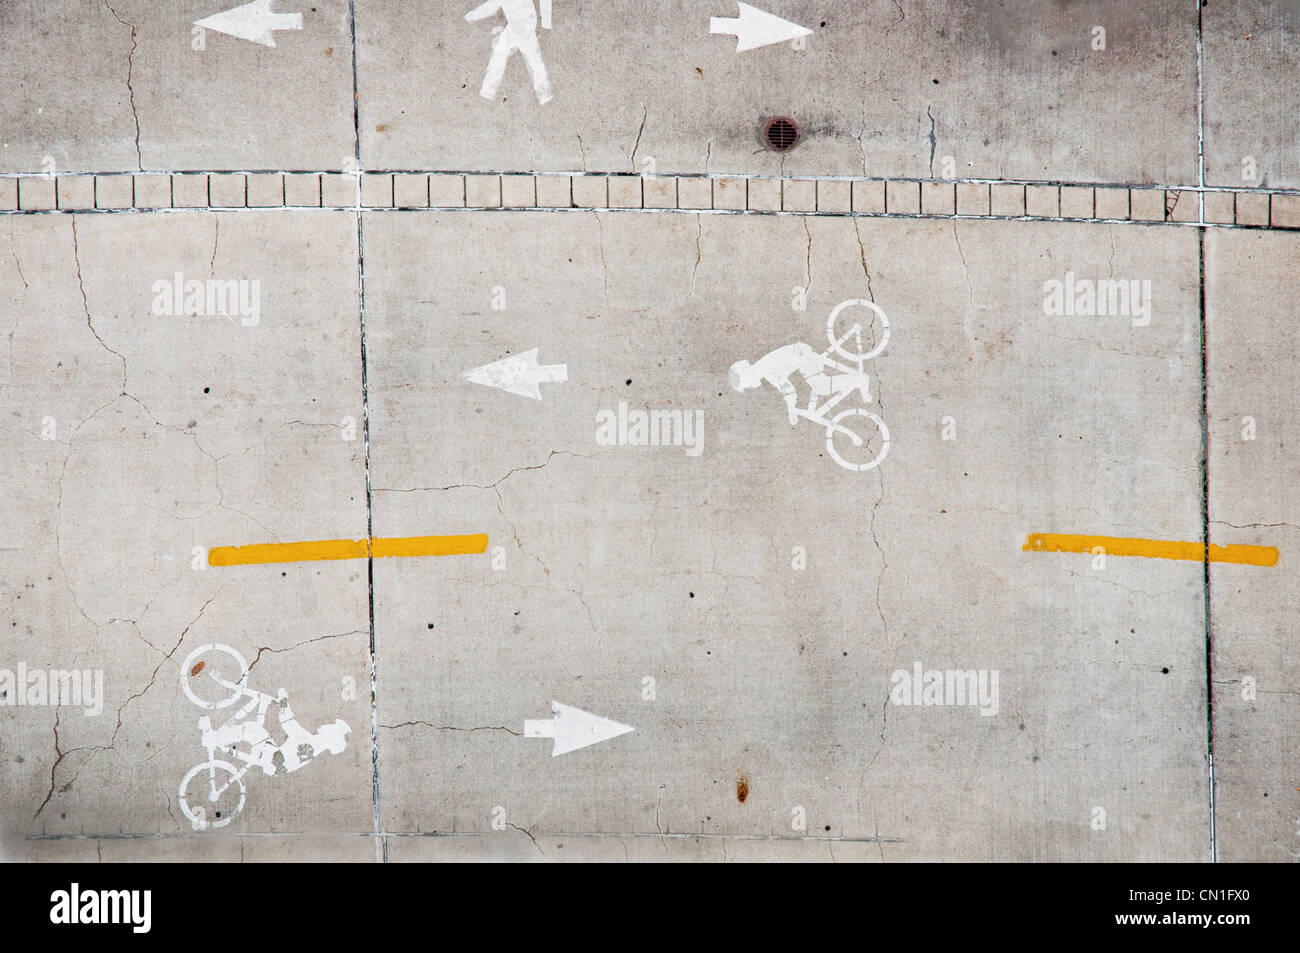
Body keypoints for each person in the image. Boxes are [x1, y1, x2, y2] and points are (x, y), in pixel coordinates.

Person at [729, 343, 871, 425]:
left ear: (746, 376)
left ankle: (858, 379)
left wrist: (791, 410)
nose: (749, 387)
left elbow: (789, 391)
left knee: (821, 386)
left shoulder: (766, 370)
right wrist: (791, 408)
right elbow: (787, 390)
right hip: (801, 356)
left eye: (746, 385)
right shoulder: (763, 368)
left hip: (803, 356)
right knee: (819, 387)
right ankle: (856, 381)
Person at [465, 0, 553, 104]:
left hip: (526, 26)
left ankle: (544, 94)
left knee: (532, 59)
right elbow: (492, 5)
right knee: (501, 54)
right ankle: (488, 90)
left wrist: (546, 23)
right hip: (514, 26)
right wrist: (472, 16)